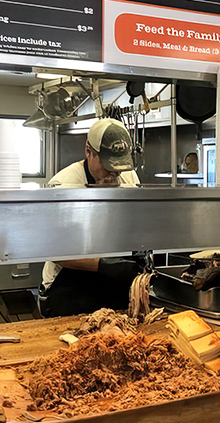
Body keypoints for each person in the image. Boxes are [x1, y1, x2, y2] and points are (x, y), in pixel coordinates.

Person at [38, 118, 143, 317]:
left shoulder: (129, 179)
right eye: (107, 165)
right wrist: (103, 265)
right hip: (70, 288)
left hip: (112, 286)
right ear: (88, 152)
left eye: (119, 167)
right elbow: (54, 251)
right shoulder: (64, 185)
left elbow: (136, 224)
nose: (114, 172)